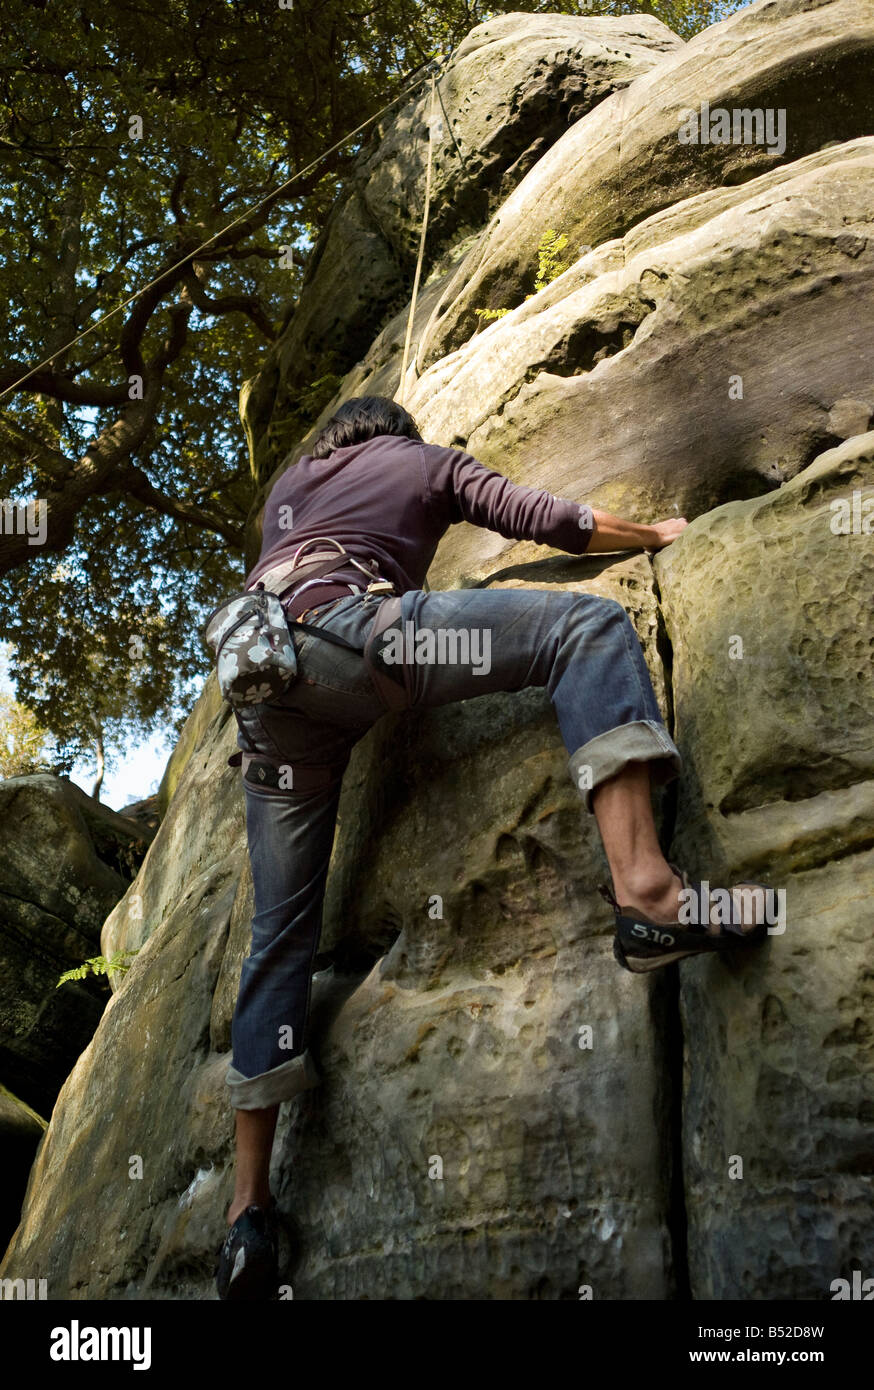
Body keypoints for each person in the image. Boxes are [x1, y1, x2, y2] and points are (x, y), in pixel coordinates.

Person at [215, 395, 769, 1300]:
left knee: (279, 940)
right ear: (394, 431)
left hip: (268, 699)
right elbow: (548, 520)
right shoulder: (421, 460)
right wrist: (656, 531)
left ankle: (245, 1215)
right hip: (356, 637)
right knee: (585, 629)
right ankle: (649, 895)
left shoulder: (291, 486)